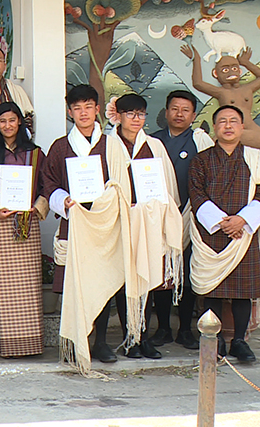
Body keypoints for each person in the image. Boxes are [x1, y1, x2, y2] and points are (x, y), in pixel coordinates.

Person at [40, 84, 130, 372]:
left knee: (101, 283)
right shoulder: (60, 147)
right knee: (73, 285)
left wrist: (108, 201)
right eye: (77, 108)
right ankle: (74, 341)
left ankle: (100, 341)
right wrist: (62, 201)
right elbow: (49, 183)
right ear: (70, 112)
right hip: (74, 222)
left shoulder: (111, 145)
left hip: (104, 224)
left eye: (88, 107)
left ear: (96, 109)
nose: (83, 113)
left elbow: (122, 182)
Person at [189, 105, 260, 362]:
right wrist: (221, 222)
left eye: (233, 121)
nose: (228, 126)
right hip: (211, 233)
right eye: (222, 121)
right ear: (215, 127)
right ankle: (214, 340)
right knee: (212, 290)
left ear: (241, 127)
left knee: (243, 291)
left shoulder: (255, 158)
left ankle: (239, 340)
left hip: (243, 233)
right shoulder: (201, 160)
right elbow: (196, 194)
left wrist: (242, 220)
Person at [105, 93, 182, 360]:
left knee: (145, 280)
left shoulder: (154, 145)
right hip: (120, 221)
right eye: (130, 114)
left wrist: (163, 214)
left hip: (148, 221)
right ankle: (130, 337)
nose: (136, 120)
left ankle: (144, 337)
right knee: (125, 281)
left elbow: (168, 184)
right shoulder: (108, 144)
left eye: (141, 114)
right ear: (118, 116)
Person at [0, 102, 48, 358]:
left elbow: (46, 186)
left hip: (27, 225)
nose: (8, 125)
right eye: (2, 121)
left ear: (20, 123)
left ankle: (29, 343)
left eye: (12, 120)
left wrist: (35, 208)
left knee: (26, 289)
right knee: (1, 287)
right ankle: (1, 342)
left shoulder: (35, 154)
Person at [181, 44, 260, 179]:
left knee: (220, 140)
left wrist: (246, 63)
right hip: (233, 133)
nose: (231, 72)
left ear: (240, 72)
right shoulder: (221, 92)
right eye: (225, 70)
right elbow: (198, 83)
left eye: (234, 68)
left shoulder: (247, 88)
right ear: (216, 74)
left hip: (252, 132)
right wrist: (196, 59)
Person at [148, 90, 214, 350]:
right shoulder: (152, 141)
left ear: (193, 115)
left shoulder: (200, 141)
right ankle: (163, 328)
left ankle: (185, 329)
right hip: (160, 216)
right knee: (163, 273)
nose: (179, 114)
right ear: (166, 112)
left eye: (185, 110)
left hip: (190, 215)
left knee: (185, 271)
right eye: (174, 109)